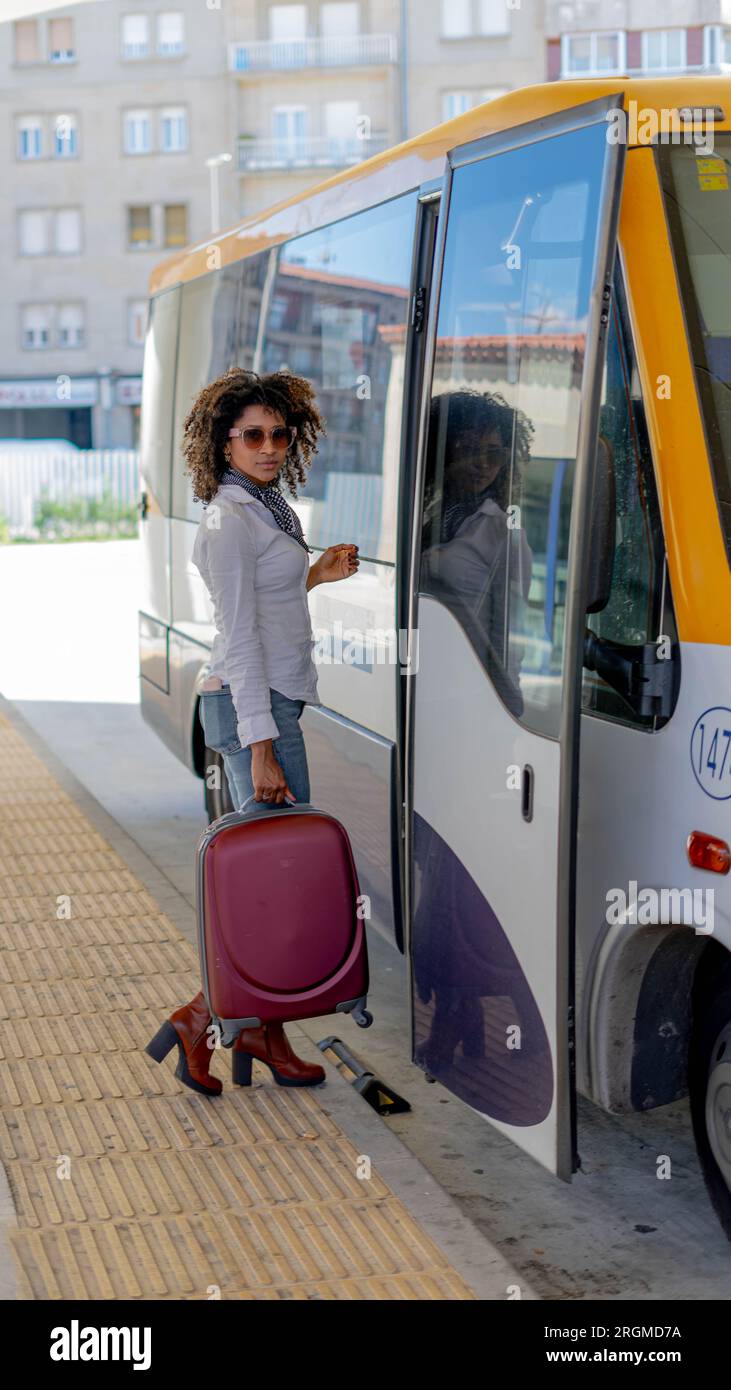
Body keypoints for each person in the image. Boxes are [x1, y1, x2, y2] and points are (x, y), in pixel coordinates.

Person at [145, 367, 359, 1094]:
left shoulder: (265, 508)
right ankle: (201, 1022)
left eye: (279, 434)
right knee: (273, 887)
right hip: (250, 708)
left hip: (267, 701)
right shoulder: (228, 520)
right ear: (224, 443)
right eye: (254, 436)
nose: (270, 446)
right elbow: (236, 639)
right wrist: (261, 748)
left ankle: (259, 1033)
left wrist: (313, 578)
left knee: (275, 883)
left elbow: (264, 606)